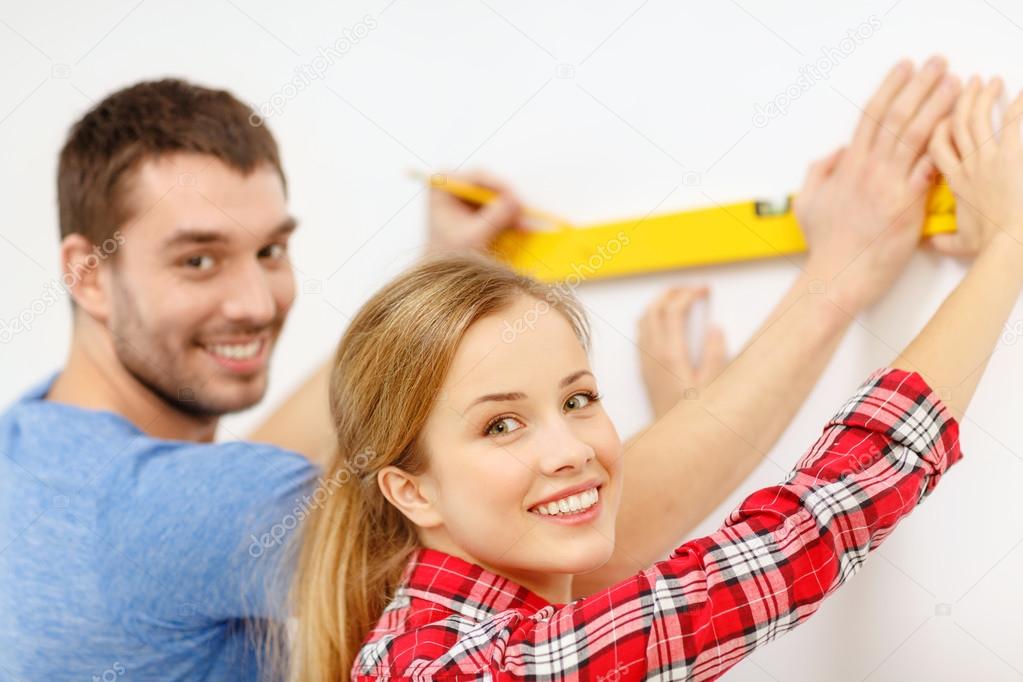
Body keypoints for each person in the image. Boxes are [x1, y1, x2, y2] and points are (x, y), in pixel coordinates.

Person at [0, 54, 956, 680]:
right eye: (197, 259)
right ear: (87, 272)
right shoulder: (185, 513)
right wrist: (839, 275)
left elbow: (236, 471)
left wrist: (427, 293)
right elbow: (569, 543)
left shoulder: (39, 449)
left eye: (272, 249)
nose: (255, 302)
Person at [283, 75, 1016, 681]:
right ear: (411, 489)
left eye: (578, 400)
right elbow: (797, 546)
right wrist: (1010, 240)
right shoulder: (464, 669)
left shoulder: (432, 634)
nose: (570, 450)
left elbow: (628, 629)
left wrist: (698, 417)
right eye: (499, 424)